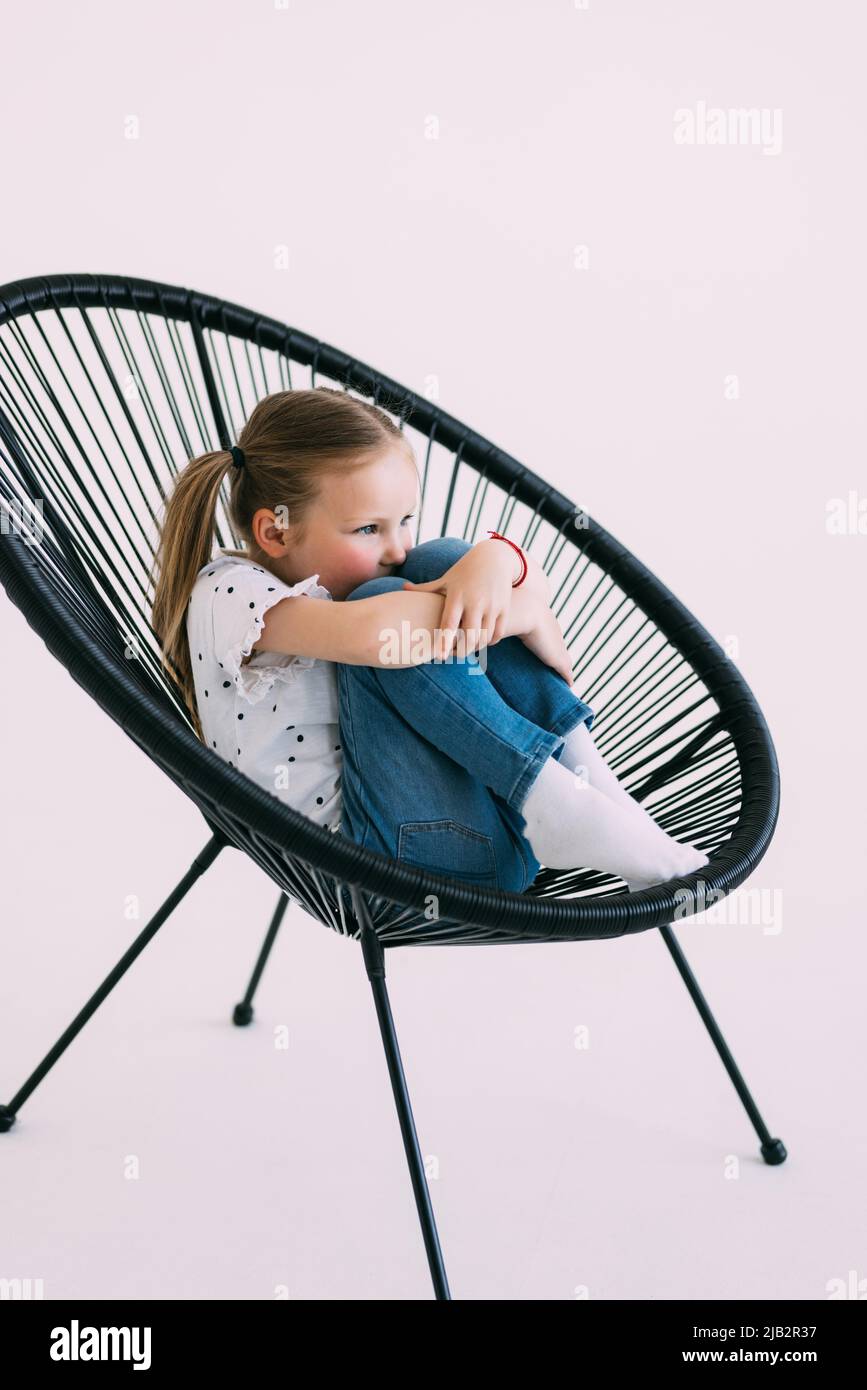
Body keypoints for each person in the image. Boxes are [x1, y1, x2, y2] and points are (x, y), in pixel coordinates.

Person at [149, 387, 708, 916]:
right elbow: (376, 636)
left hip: (495, 836)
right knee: (393, 601)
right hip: (378, 872)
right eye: (368, 528)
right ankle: (555, 797)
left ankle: (592, 791)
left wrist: (493, 563)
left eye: (404, 520)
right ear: (275, 534)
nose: (397, 546)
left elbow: (470, 584)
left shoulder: (369, 574)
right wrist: (521, 609)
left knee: (441, 559)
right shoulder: (228, 592)